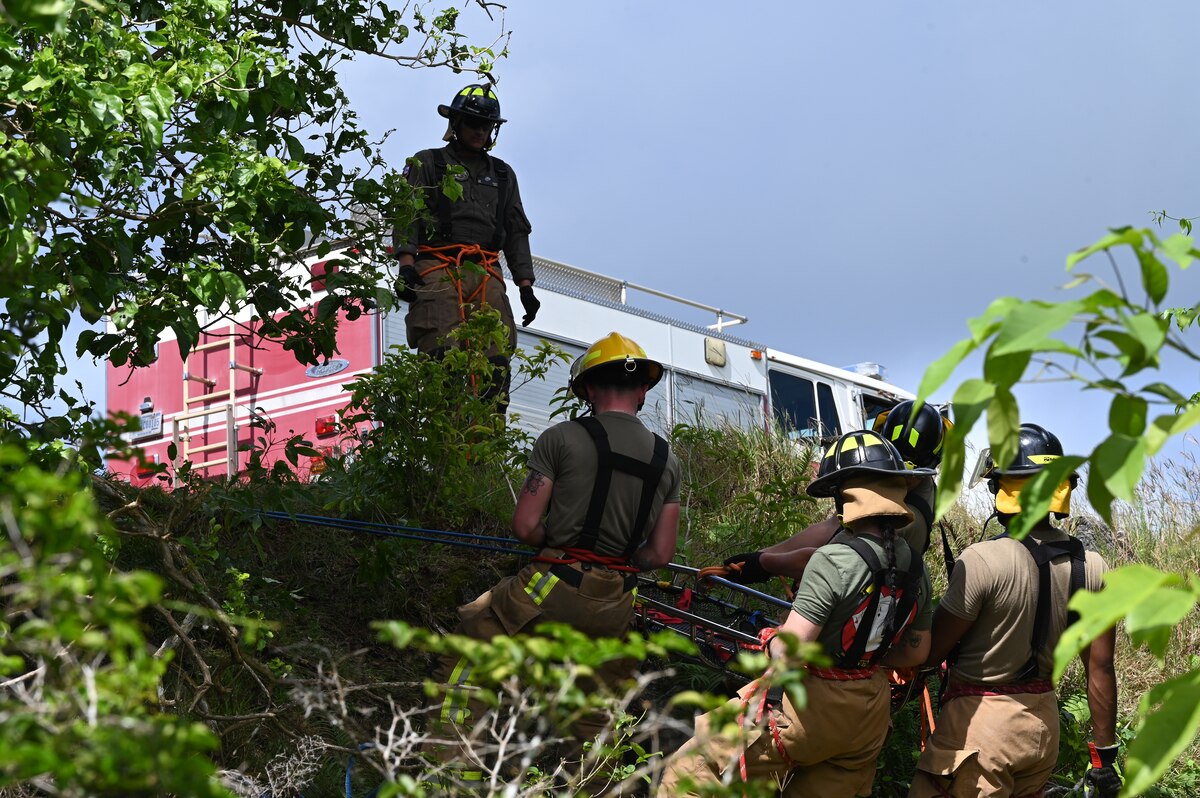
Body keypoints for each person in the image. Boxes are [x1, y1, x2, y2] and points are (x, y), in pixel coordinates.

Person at [428, 331, 681, 782]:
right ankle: (599, 790)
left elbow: (525, 526)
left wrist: (561, 543)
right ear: (643, 390)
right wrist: (618, 560)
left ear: (586, 388)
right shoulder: (668, 460)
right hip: (618, 603)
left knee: (469, 659)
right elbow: (660, 553)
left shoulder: (561, 437)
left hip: (554, 583)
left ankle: (453, 778)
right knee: (595, 715)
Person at [659, 430, 935, 797]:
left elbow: (790, 653)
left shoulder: (832, 560)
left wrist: (774, 639)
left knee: (689, 773)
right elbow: (916, 652)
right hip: (869, 713)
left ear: (843, 494)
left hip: (808, 707)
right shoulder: (918, 569)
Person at [909, 423, 1120, 798]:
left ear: (1001, 490)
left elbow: (930, 653)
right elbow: (1100, 667)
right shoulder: (1092, 565)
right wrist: (1104, 757)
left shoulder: (981, 560)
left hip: (980, 731)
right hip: (1042, 728)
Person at [393, 83, 540, 413]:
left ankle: (488, 447)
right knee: (441, 355)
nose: (480, 131)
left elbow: (517, 231)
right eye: (474, 123)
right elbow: (408, 214)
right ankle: (441, 444)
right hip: (436, 268)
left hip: (485, 270)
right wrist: (405, 265)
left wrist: (526, 286)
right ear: (456, 123)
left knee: (496, 359)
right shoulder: (427, 163)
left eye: (487, 125)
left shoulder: (503, 174)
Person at [704, 399, 948, 585]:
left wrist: (765, 563)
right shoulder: (899, 492)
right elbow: (830, 527)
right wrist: (753, 558)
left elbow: (829, 564)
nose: (896, 480)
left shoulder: (904, 520)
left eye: (904, 474)